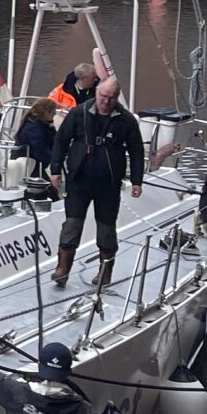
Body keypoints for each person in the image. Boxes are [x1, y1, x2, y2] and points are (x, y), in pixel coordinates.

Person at [51, 74, 145, 295]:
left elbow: (136, 151)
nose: (106, 101)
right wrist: (55, 170)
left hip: (108, 183)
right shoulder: (79, 112)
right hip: (78, 179)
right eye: (103, 96)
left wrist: (136, 181)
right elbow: (61, 141)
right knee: (72, 225)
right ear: (96, 92)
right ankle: (63, 268)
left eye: (112, 97)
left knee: (106, 229)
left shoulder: (126, 119)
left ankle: (105, 272)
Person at [15, 95, 64, 179]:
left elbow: (53, 141)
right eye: (53, 112)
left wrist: (51, 126)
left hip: (34, 164)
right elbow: (41, 152)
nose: (55, 114)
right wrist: (56, 158)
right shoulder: (34, 129)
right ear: (46, 112)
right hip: (30, 165)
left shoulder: (41, 125)